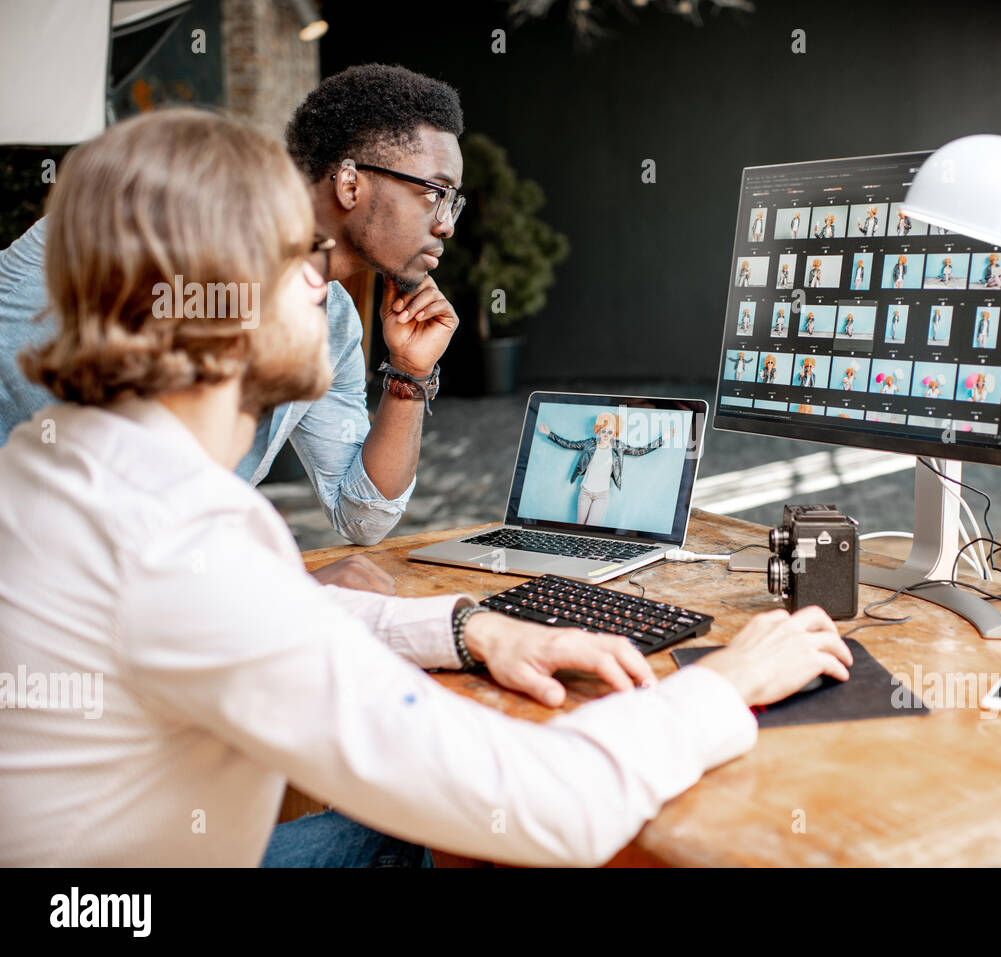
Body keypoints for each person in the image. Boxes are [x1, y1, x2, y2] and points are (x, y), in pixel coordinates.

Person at [0, 109, 853, 868]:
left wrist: (468, 626)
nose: (323, 283)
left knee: (412, 829)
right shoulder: (181, 531)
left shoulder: (62, 463)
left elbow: (256, 609)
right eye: (297, 257)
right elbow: (545, 802)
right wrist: (725, 682)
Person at [0, 64, 468, 593]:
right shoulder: (137, 246)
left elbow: (362, 519)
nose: (446, 222)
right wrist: (290, 585)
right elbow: (129, 506)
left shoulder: (332, 321)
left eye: (453, 200)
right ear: (349, 181)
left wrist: (408, 374)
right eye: (434, 191)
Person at [535, 412, 675, 526]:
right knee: (579, 526)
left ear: (614, 433)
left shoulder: (618, 446)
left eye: (610, 432)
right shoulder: (589, 443)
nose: (606, 435)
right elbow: (568, 444)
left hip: (602, 495)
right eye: (603, 431)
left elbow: (639, 451)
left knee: (591, 527)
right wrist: (549, 434)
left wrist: (662, 439)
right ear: (598, 430)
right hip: (585, 492)